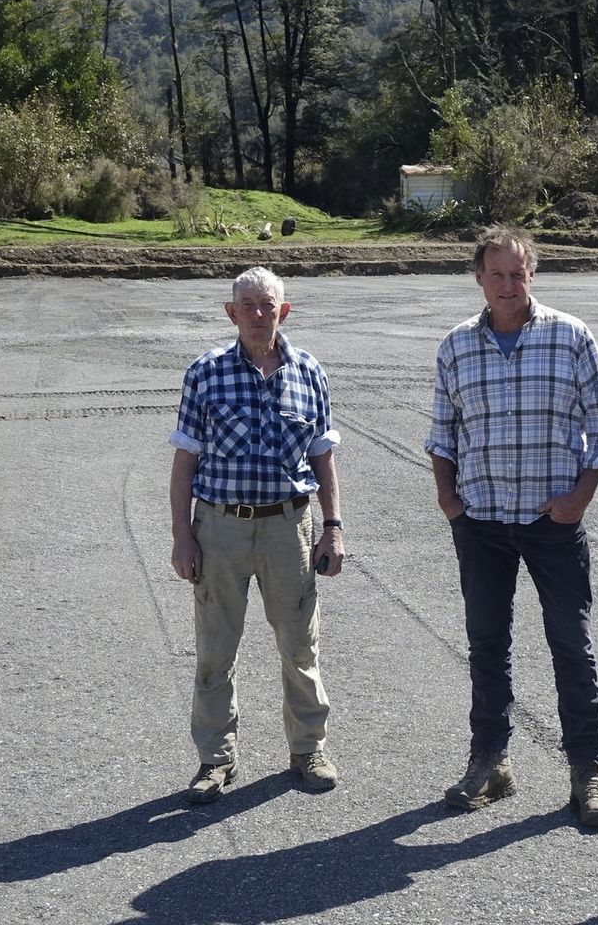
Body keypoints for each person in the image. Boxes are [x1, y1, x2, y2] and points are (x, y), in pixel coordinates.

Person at [426, 226, 598, 829]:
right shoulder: (456, 346)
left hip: (552, 523)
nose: (508, 285)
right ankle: (490, 761)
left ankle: (587, 772)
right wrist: (450, 502)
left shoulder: (570, 336)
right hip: (481, 524)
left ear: (531, 275)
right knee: (488, 647)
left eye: (518, 274)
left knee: (571, 646)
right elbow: (442, 433)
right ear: (479, 279)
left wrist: (580, 498)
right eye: (496, 275)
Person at [169, 267, 346, 803]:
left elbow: (323, 458)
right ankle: (215, 760)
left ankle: (308, 749)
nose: (257, 313)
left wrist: (332, 527)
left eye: (266, 304)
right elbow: (183, 465)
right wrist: (183, 537)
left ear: (283, 311)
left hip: (290, 528)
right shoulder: (206, 373)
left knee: (300, 647)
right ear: (231, 313)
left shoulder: (309, 373)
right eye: (246, 304)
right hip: (219, 528)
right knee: (215, 650)